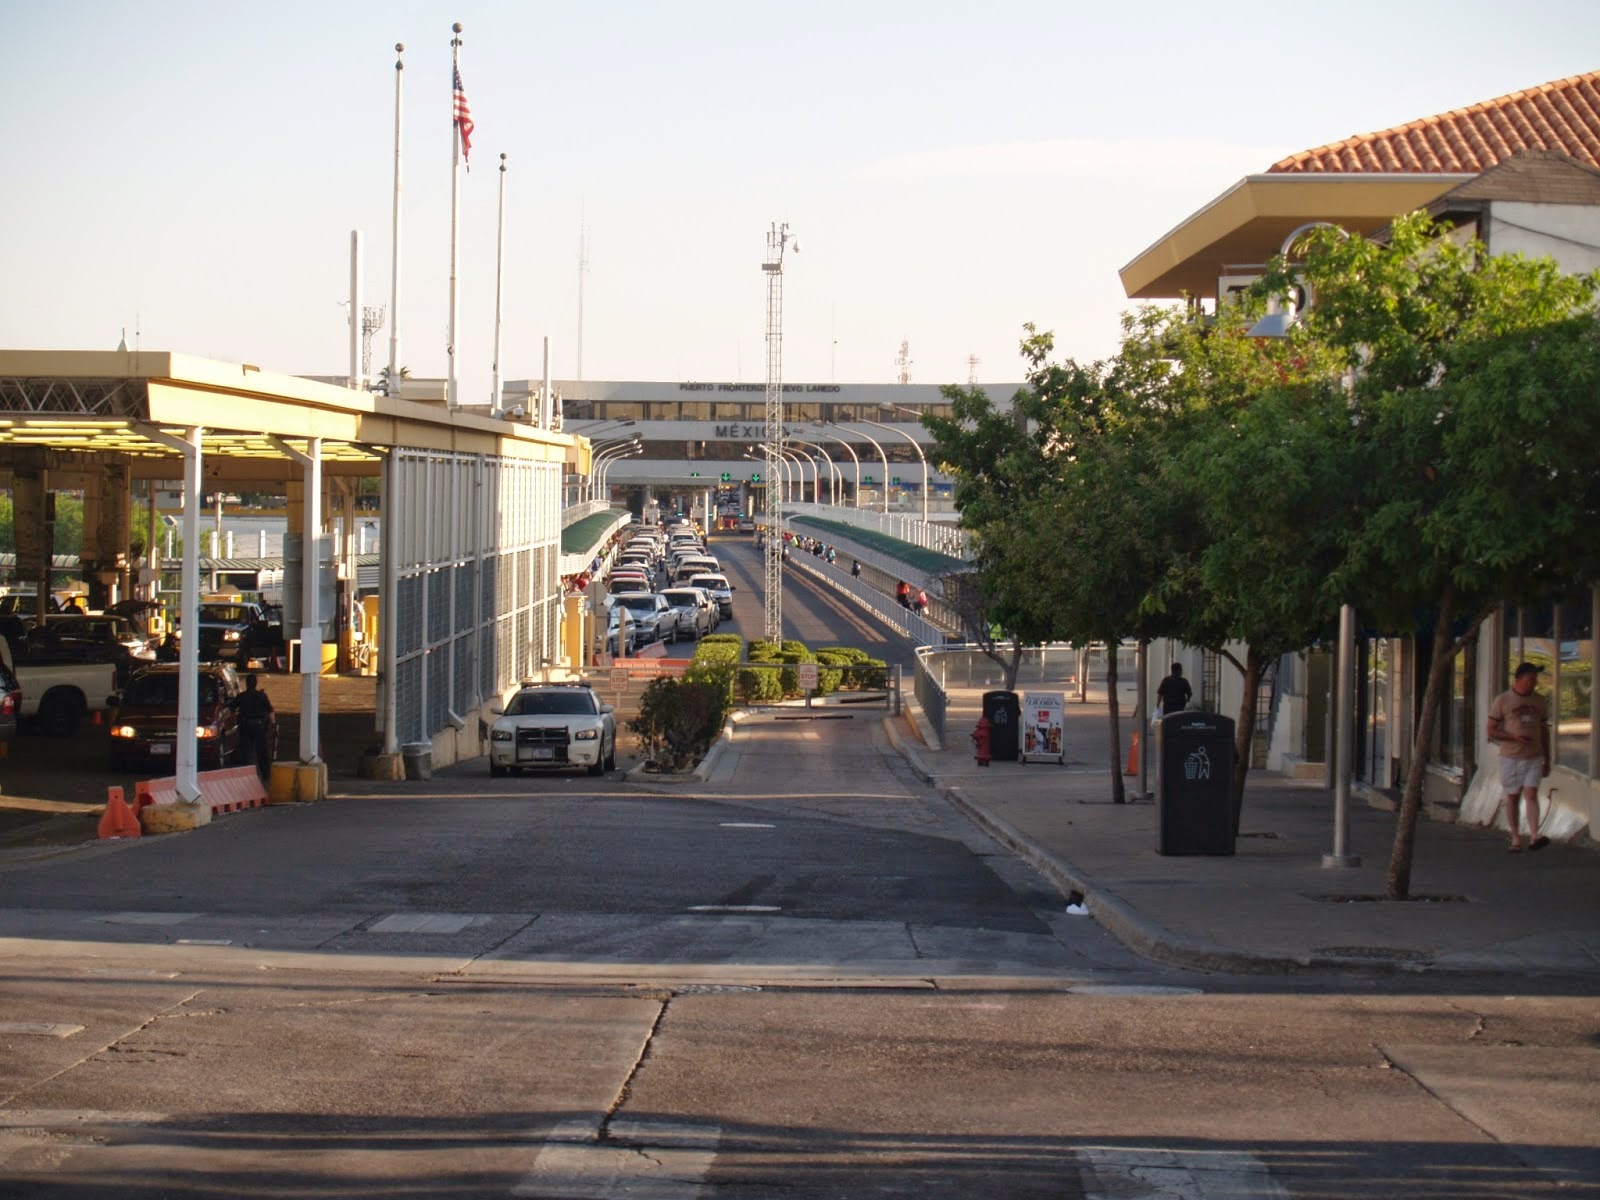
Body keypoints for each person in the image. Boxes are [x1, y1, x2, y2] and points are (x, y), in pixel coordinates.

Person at [1487, 662, 1551, 852]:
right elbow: (1491, 730)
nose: (1534, 683)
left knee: (1531, 794)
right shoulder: (1503, 700)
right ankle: (1515, 836)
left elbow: (1544, 730)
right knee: (1513, 796)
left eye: (1535, 680)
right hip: (1511, 756)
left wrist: (1547, 757)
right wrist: (1513, 737)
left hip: (1534, 756)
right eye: (1530, 679)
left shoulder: (1539, 701)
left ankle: (1534, 835)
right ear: (1518, 680)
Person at [230, 673, 276, 783]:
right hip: (259, 726)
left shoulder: (242, 696)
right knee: (262, 752)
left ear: (246, 684)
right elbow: (270, 711)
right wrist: (273, 725)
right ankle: (265, 775)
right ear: (256, 684)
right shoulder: (261, 696)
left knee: (246, 752)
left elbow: (231, 708)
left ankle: (247, 774)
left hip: (245, 725)